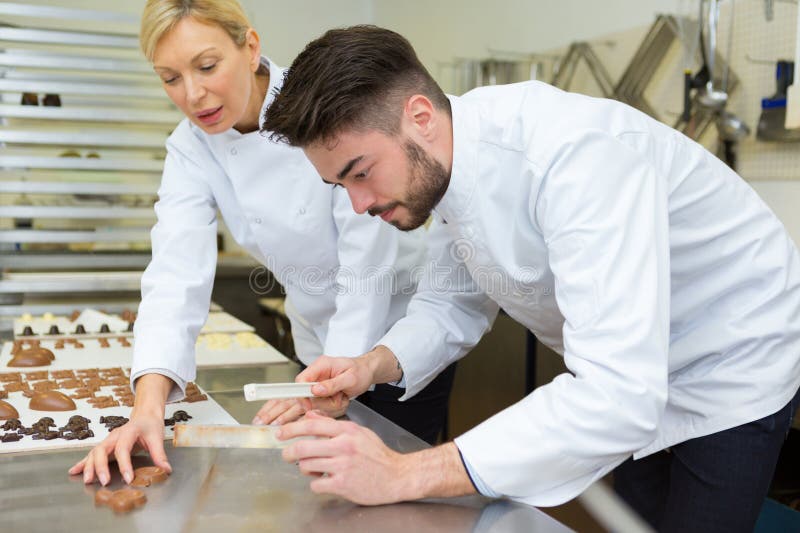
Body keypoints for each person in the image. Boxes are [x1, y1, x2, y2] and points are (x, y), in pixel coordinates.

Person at [262, 25, 800, 532]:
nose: (358, 204)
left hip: (731, 352)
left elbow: (616, 394)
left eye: (361, 173)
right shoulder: (451, 159)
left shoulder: (571, 159)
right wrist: (368, 366)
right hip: (643, 367)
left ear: (420, 116)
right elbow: (450, 305)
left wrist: (405, 473)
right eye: (340, 185)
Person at [68, 4, 458, 487]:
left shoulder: (320, 101)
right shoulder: (190, 148)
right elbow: (175, 275)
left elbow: (367, 262)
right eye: (169, 78)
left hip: (400, 336)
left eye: (207, 66)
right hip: (317, 340)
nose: (192, 94)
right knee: (318, 482)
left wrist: (337, 378)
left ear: (250, 47)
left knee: (392, 486)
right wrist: (147, 408)